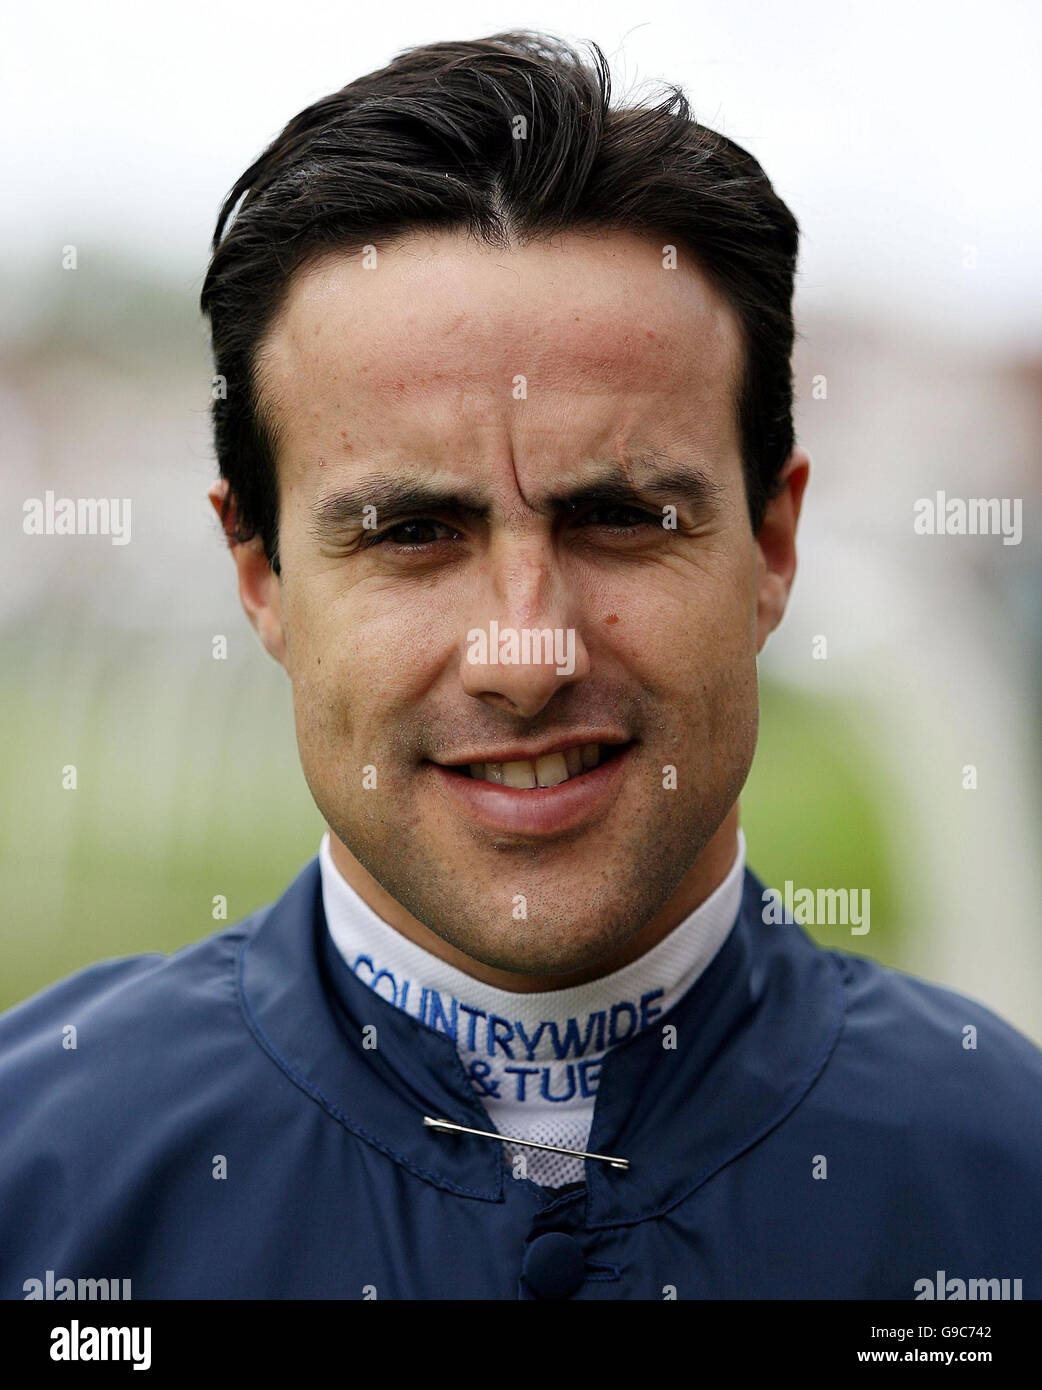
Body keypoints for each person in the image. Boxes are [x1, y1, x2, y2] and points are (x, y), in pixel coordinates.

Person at [2, 30, 1040, 1302]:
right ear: (259, 574)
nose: (526, 654)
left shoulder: (1008, 1179)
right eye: (414, 534)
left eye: (617, 518)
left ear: (773, 544)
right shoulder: (37, 1180)